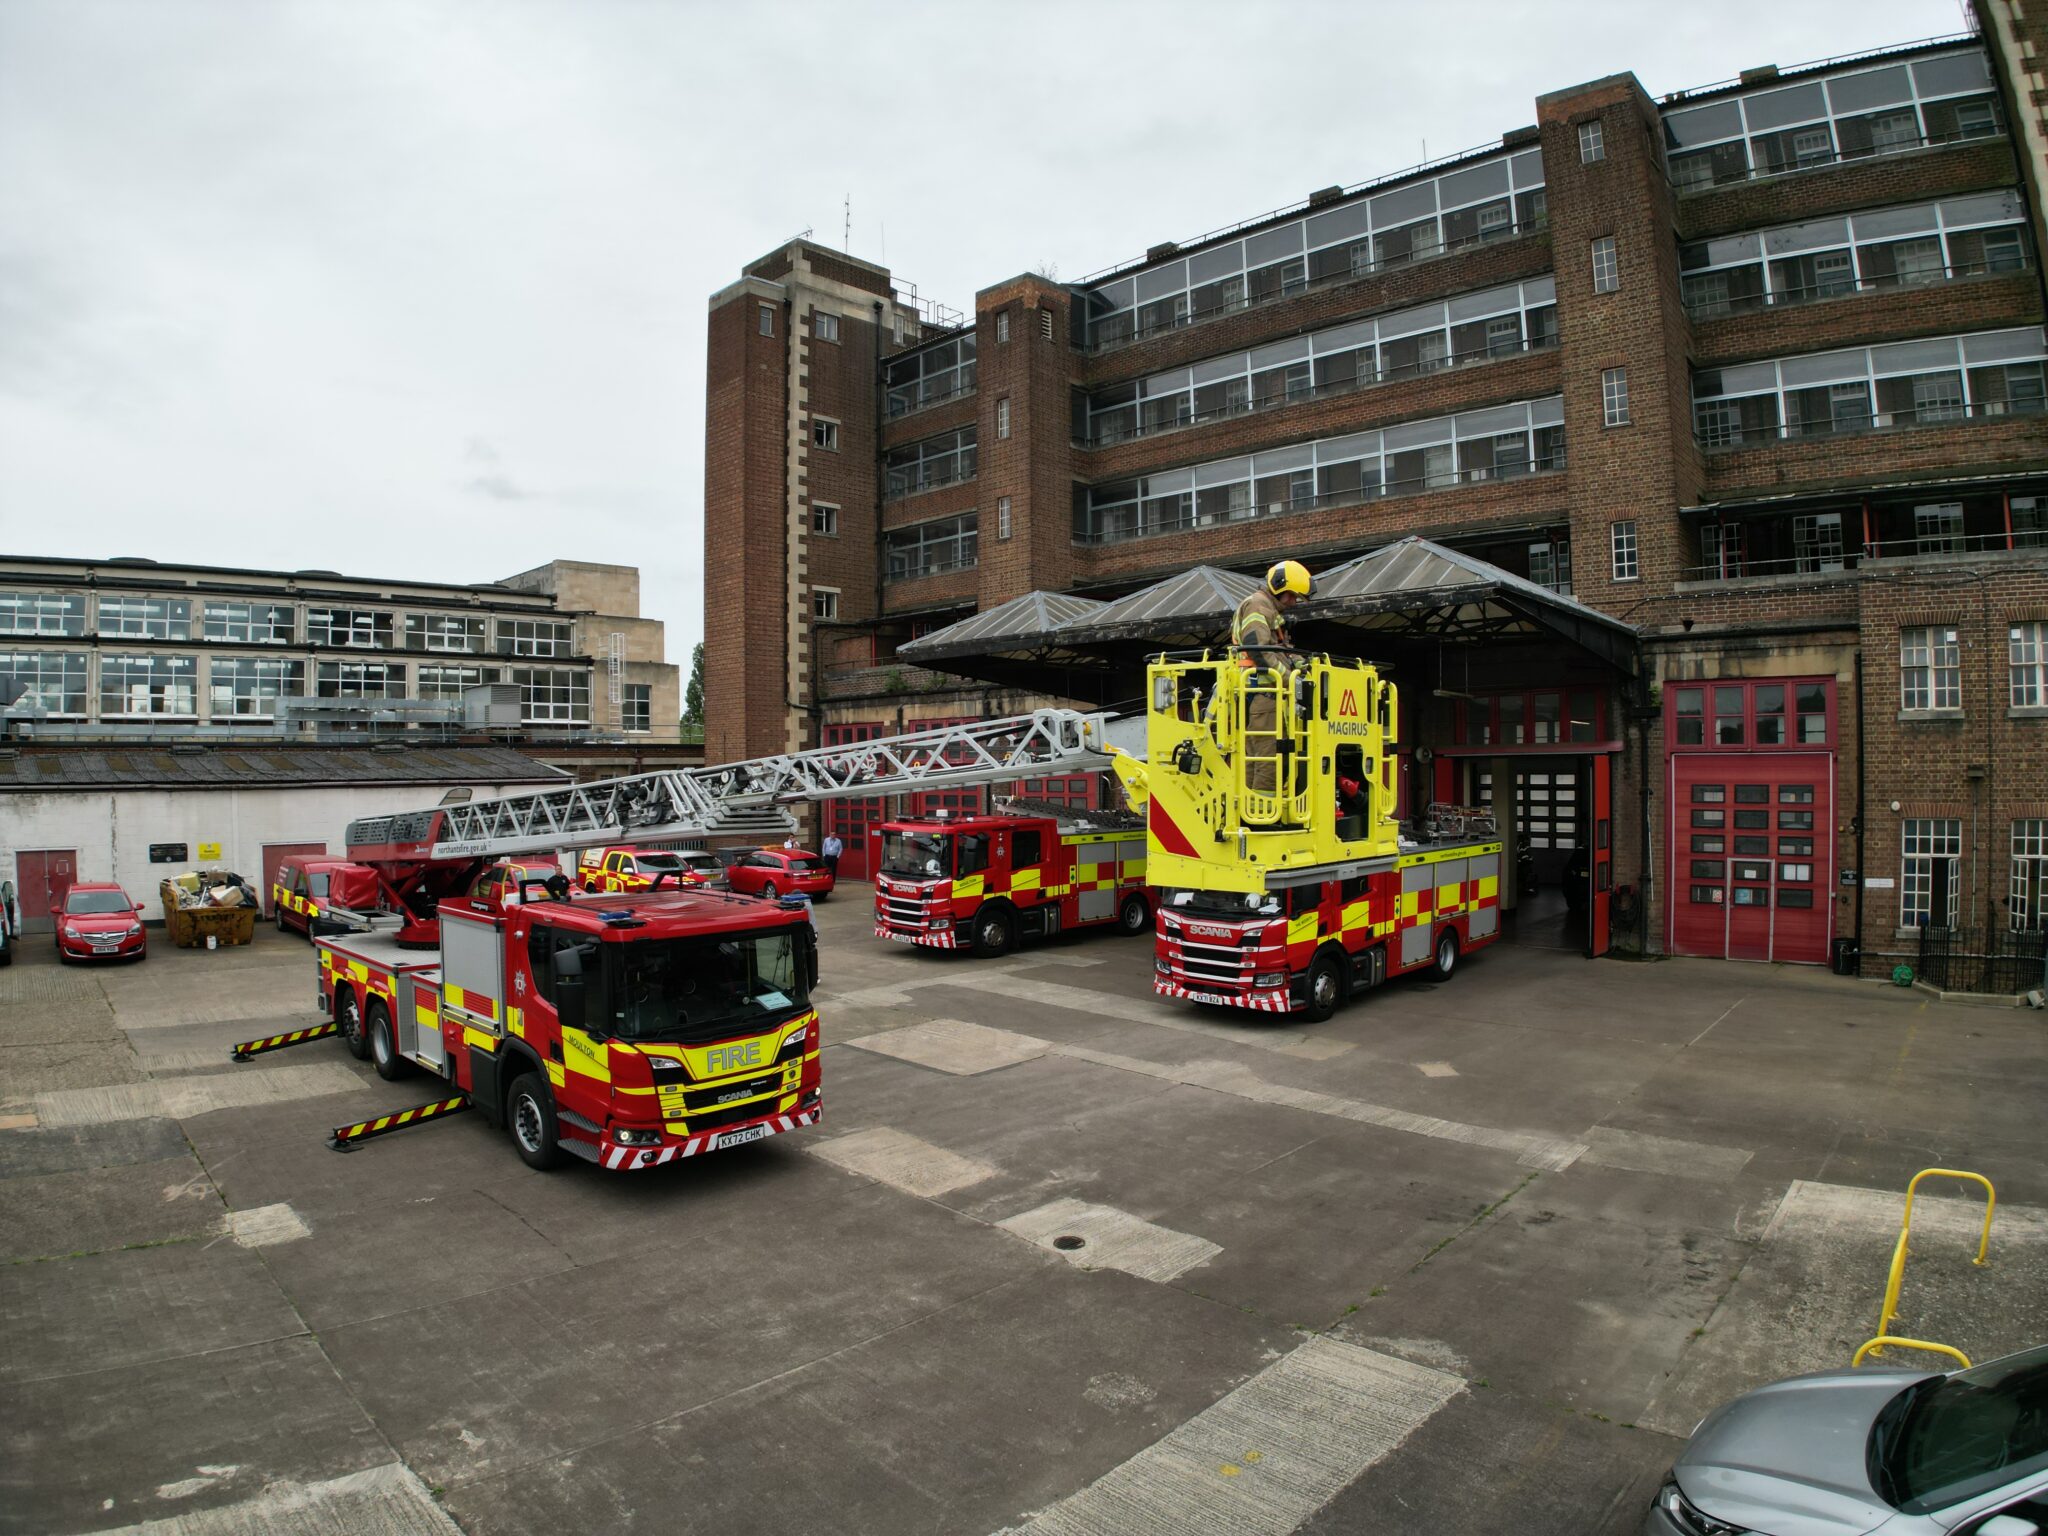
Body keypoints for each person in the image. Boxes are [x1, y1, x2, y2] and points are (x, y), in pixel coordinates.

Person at [1232, 560, 1313, 794]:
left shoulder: (1268, 609)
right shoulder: (1259, 606)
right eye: (1292, 595)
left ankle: (1253, 812)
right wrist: (1292, 680)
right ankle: (1261, 816)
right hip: (1262, 693)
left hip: (1263, 695)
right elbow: (1258, 651)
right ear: (1279, 587)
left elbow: (1278, 652)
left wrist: (1302, 665)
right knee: (1269, 759)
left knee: (1258, 758)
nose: (1294, 602)